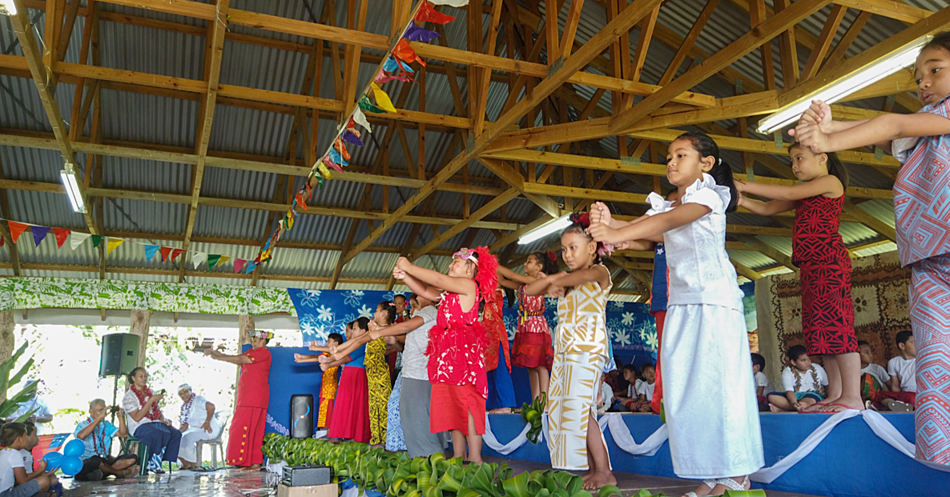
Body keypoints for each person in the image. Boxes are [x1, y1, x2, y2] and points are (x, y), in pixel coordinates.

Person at [791, 33, 950, 465]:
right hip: (927, 257)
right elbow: (890, 136)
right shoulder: (929, 123)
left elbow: (895, 124)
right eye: (918, 76)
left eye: (935, 70)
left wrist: (828, 140)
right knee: (934, 361)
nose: (924, 82)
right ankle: (940, 460)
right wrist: (831, 125)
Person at [588, 131, 764, 495]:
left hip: (714, 301)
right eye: (669, 156)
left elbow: (665, 225)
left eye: (680, 155)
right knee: (691, 392)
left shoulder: (710, 196)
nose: (671, 162)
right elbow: (645, 233)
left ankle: (737, 474)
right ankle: (713, 473)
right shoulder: (667, 206)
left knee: (720, 388)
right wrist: (610, 227)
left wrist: (615, 228)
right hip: (682, 303)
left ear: (706, 164)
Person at [736, 143, 859, 413]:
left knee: (839, 327)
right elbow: (768, 209)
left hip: (829, 262)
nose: (794, 165)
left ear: (823, 158)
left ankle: (853, 396)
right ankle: (836, 393)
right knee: (823, 332)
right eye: (792, 160)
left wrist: (744, 185)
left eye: (799, 158)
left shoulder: (829, 181)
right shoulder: (806, 192)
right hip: (812, 266)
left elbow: (789, 191)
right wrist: (742, 200)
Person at [524, 213, 615, 490]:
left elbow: (585, 275)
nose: (567, 254)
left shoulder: (600, 272)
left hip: (587, 349)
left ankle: (605, 471)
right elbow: (530, 290)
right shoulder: (566, 281)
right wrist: (556, 278)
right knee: (567, 409)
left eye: (573, 247)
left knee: (580, 408)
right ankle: (590, 468)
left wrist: (560, 279)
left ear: (591, 247)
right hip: (566, 353)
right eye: (563, 249)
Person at [393, 246, 498, 465]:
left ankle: (475, 457)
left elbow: (439, 281)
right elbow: (427, 292)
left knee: (467, 404)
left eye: (455, 263)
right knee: (452, 405)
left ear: (470, 270)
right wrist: (406, 277)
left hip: (463, 353)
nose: (450, 266)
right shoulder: (449, 293)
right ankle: (458, 455)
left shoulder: (469, 285)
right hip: (446, 355)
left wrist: (409, 266)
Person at [204, 330, 271, 470]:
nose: (254, 341)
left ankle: (249, 462)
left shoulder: (263, 353)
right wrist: (215, 353)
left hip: (253, 398)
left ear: (264, 342)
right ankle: (253, 463)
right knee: (252, 430)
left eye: (258, 339)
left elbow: (240, 359)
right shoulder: (251, 353)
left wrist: (219, 357)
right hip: (248, 398)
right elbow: (237, 358)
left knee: (246, 429)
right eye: (253, 338)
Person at [498, 252, 557, 403]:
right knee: (531, 366)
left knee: (540, 365)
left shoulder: (533, 280)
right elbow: (503, 281)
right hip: (525, 327)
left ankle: (545, 401)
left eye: (529, 261)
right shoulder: (523, 285)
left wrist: (495, 265)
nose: (525, 264)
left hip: (536, 327)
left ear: (539, 267)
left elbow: (511, 274)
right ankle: (535, 400)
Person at [317, 319, 371, 443]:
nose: (352, 331)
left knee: (354, 405)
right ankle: (341, 433)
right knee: (344, 404)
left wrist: (328, 362)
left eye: (355, 328)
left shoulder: (362, 343)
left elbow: (344, 357)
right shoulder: (355, 342)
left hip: (357, 374)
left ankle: (353, 435)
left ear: (363, 331)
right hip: (349, 373)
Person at [121, 367, 182, 474]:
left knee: (175, 433)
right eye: (141, 376)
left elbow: (156, 410)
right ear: (133, 378)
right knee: (159, 433)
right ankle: (150, 463)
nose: (144, 378)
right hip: (139, 426)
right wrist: (151, 400)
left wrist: (163, 420)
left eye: (145, 376)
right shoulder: (128, 397)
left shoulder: (150, 392)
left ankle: (159, 460)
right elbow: (137, 417)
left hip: (154, 423)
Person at [73, 399, 139, 481]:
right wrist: (98, 418)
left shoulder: (106, 425)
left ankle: (102, 473)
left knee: (132, 458)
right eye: (100, 410)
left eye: (104, 410)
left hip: (104, 459)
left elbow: (123, 434)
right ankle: (118, 473)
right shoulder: (82, 424)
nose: (103, 413)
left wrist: (121, 417)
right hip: (88, 461)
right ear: (91, 411)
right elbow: (81, 436)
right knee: (95, 461)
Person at [295, 333, 344, 429]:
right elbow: (317, 357)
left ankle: (327, 430)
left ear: (336, 343)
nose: (327, 343)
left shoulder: (337, 354)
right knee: (324, 408)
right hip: (325, 386)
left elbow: (320, 356)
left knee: (328, 409)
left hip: (330, 387)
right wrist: (302, 358)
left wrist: (316, 347)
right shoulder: (327, 354)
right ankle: (324, 429)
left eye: (329, 341)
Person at [366, 302, 398, 447]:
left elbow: (393, 348)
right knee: (373, 406)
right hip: (371, 372)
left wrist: (376, 330)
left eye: (377, 311)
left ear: (384, 313)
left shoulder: (388, 329)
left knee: (383, 405)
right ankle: (376, 438)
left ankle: (386, 439)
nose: (374, 314)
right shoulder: (373, 330)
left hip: (380, 372)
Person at [483, 286, 516, 414]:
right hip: (483, 333)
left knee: (499, 368)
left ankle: (505, 404)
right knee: (486, 370)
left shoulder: (494, 288)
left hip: (495, 333)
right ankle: (491, 404)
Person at [767, 346, 829, 412]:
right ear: (793, 362)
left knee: (809, 400)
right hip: (795, 396)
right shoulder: (788, 371)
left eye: (808, 359)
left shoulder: (817, 368)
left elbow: (827, 386)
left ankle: (783, 408)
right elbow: (789, 391)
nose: (807, 362)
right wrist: (794, 403)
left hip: (812, 395)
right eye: (803, 360)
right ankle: (800, 407)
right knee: (771, 396)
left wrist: (829, 400)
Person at [0, 423, 54, 497]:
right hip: (5, 494)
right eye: (25, 436)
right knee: (44, 480)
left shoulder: (4, 451)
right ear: (18, 439)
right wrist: (42, 469)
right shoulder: (15, 454)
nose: (27, 439)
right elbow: (23, 480)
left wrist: (40, 473)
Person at [175, 384, 219, 470]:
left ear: (190, 391)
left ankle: (195, 464)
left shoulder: (198, 399)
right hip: (195, 429)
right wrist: (175, 434)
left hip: (208, 429)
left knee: (187, 437)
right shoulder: (184, 407)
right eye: (181, 393)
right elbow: (185, 425)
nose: (184, 395)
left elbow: (211, 407)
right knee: (177, 438)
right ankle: (186, 464)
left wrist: (207, 422)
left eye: (186, 392)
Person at [877, 331, 917, 412]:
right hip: (905, 395)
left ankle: (903, 406)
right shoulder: (893, 362)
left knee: (913, 398)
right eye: (913, 342)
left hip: (918, 394)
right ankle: (901, 405)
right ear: (902, 346)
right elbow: (895, 385)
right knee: (879, 396)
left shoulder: (922, 359)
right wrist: (897, 397)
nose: (917, 345)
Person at [857, 341, 891, 406]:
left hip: (878, 399)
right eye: (866, 352)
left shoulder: (877, 368)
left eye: (871, 352)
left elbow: (890, 386)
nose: (871, 355)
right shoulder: (851, 371)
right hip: (859, 401)